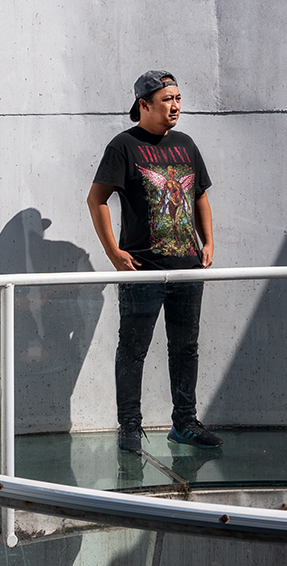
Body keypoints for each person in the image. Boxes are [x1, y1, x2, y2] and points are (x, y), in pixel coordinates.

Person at [86, 71, 219, 455]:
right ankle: (129, 428)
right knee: (133, 348)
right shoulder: (124, 146)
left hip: (187, 268)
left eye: (178, 98)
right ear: (144, 104)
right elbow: (96, 200)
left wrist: (208, 241)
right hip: (142, 269)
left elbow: (199, 197)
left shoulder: (186, 145)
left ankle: (185, 423)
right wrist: (113, 253)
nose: (175, 106)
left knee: (185, 347)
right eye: (167, 99)